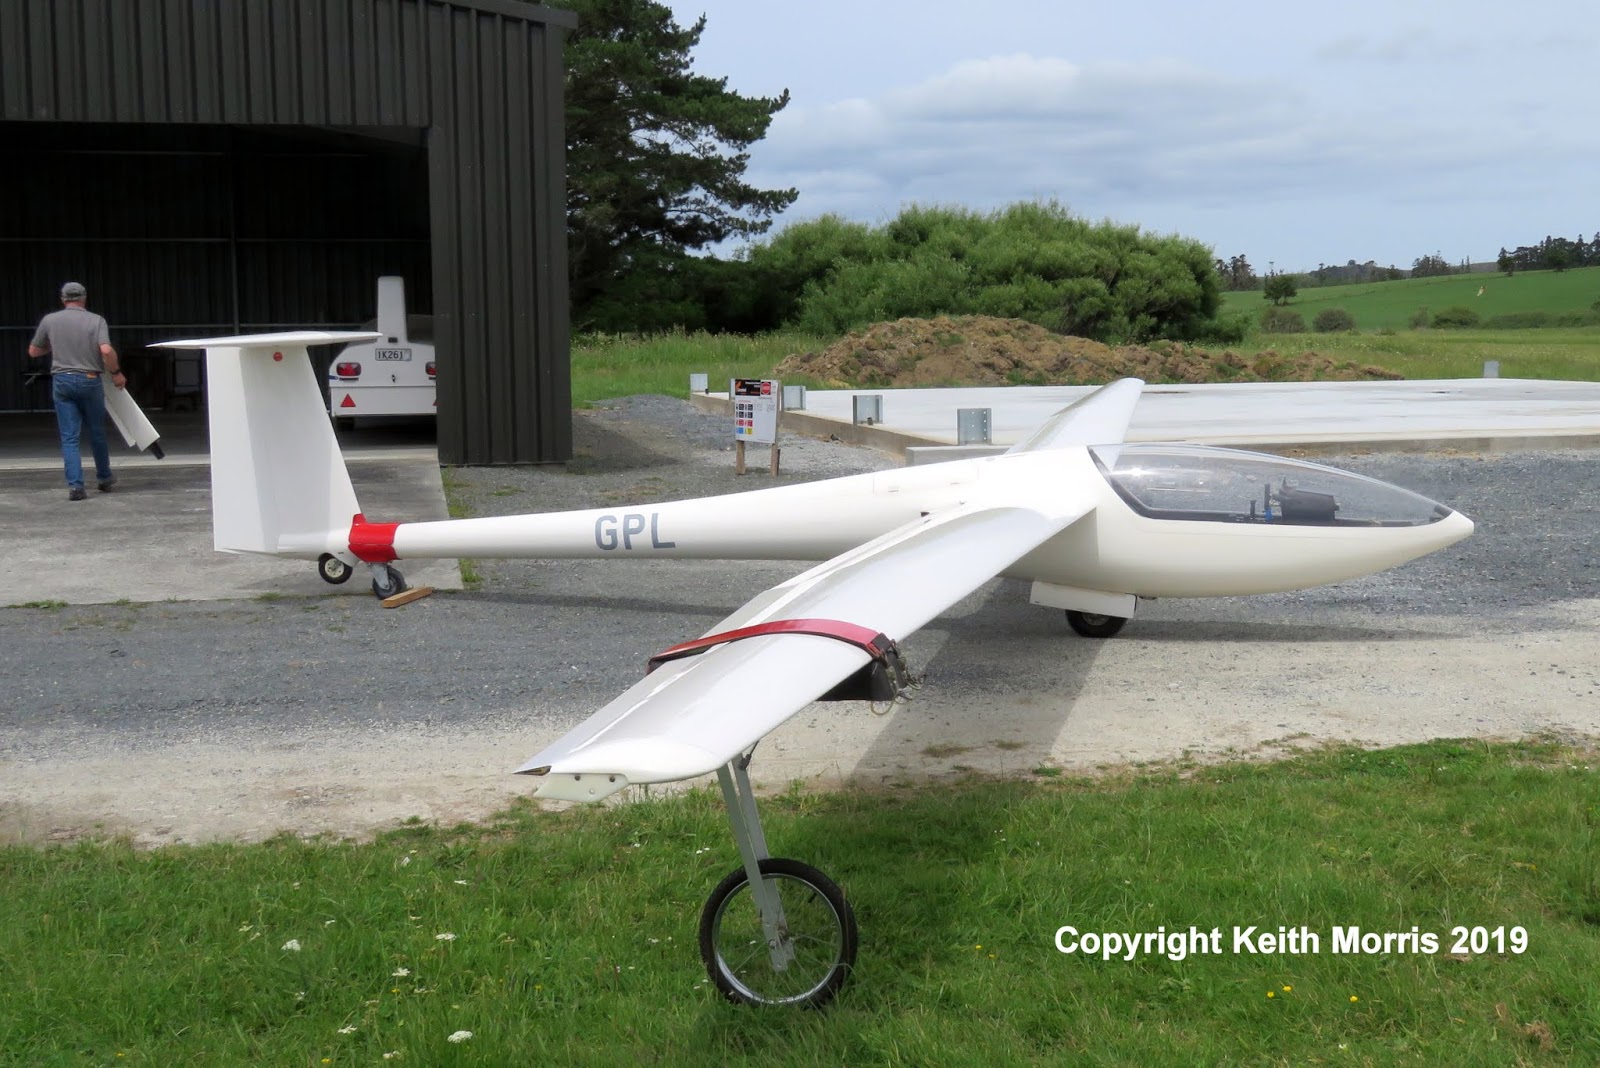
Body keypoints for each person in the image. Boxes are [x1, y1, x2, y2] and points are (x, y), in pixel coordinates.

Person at [27, 281, 126, 501]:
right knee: (97, 432)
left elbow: (33, 351)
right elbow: (106, 350)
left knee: (69, 437)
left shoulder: (49, 320)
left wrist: (54, 345)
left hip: (62, 381)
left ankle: (76, 487)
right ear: (84, 298)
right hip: (89, 380)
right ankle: (104, 478)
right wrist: (116, 373)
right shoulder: (96, 320)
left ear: (63, 299)